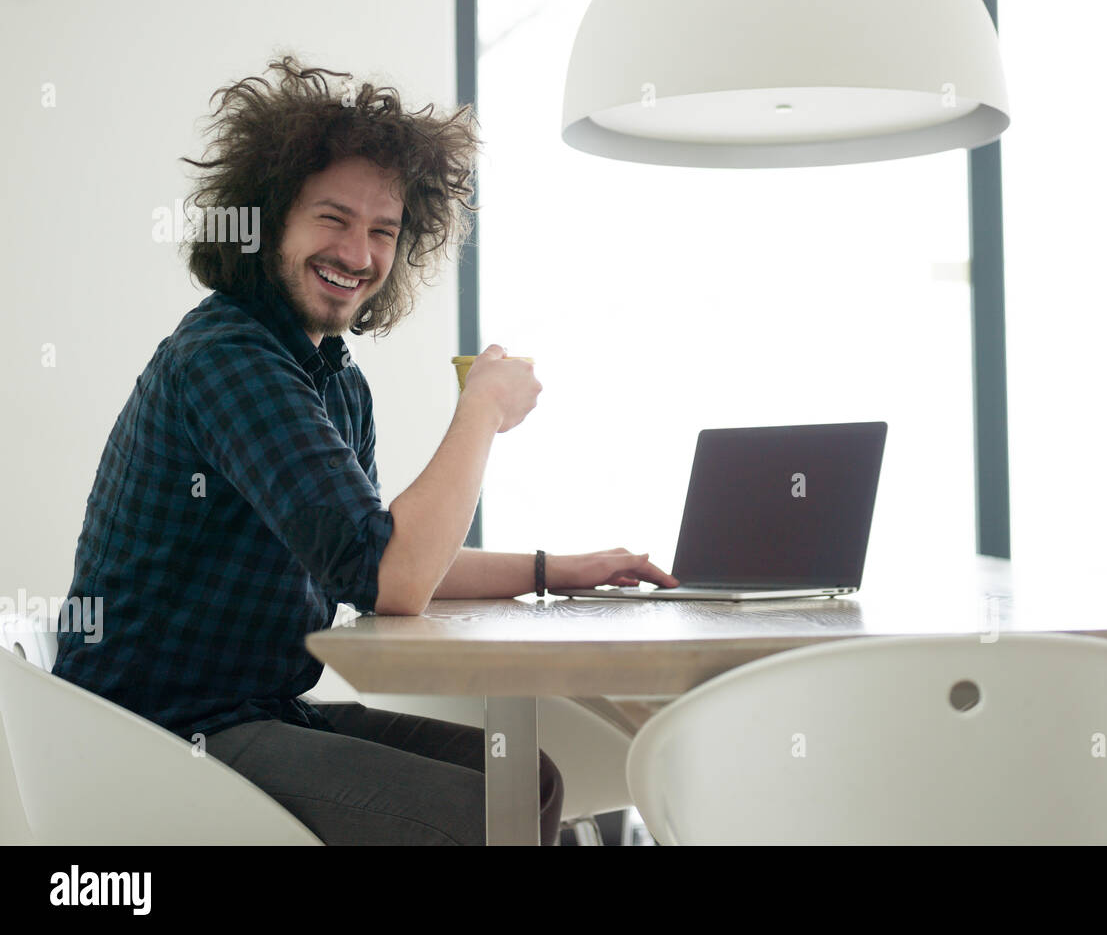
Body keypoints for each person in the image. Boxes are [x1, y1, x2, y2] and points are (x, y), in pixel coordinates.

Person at [52, 55, 678, 845]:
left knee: (524, 782)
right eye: (332, 218)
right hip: (160, 734)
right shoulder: (228, 357)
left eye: (383, 230)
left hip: (253, 710)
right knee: (482, 814)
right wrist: (480, 409)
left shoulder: (332, 378)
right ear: (268, 217)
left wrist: (558, 569)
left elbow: (377, 557)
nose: (358, 252)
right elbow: (393, 579)